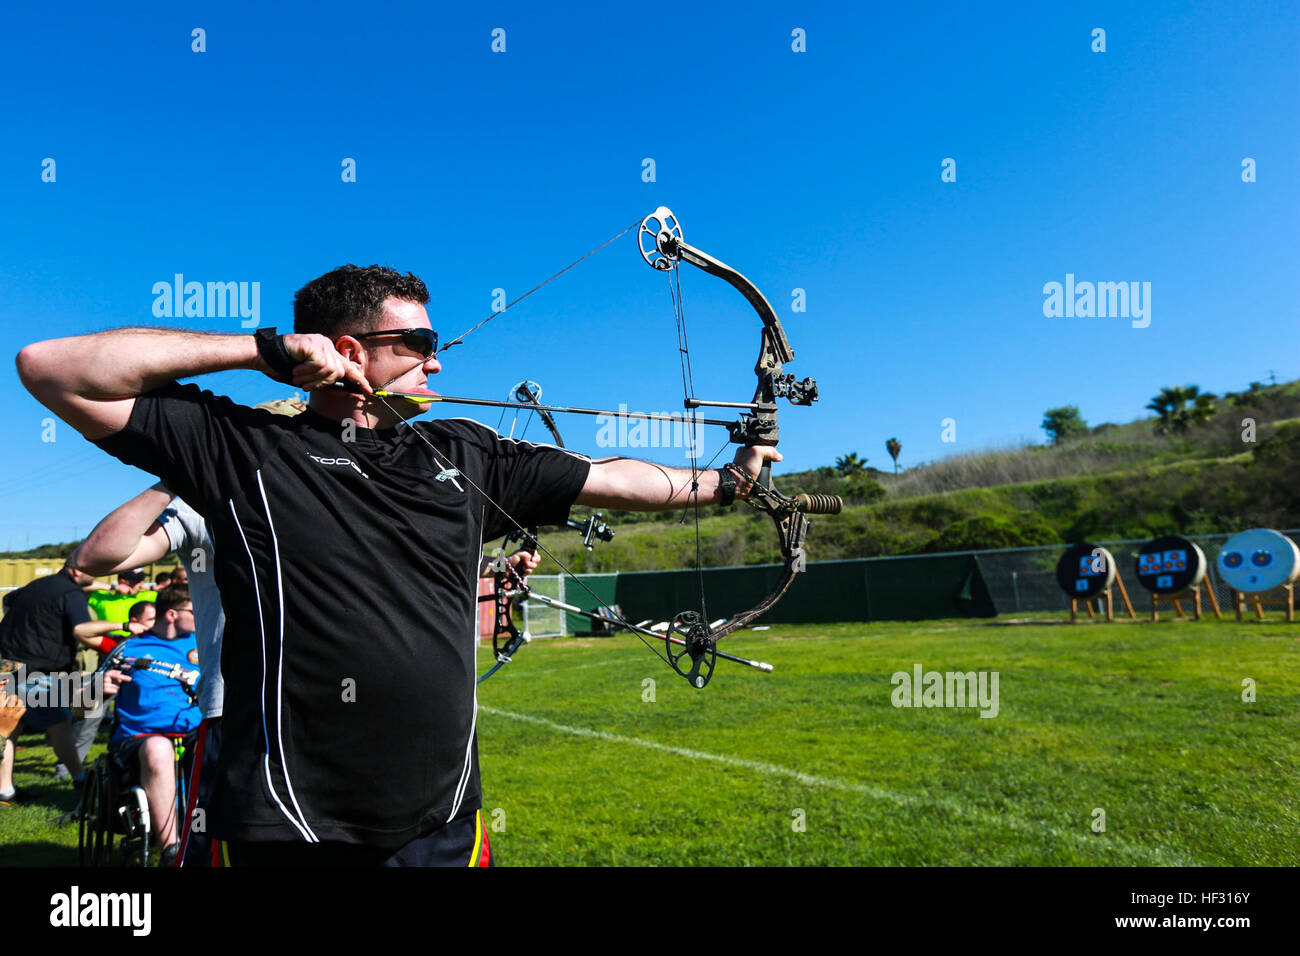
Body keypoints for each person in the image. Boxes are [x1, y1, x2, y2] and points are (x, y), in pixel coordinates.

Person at [15, 262, 772, 865]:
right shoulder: (242, 449)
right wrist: (261, 351)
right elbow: (51, 367)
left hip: (440, 818)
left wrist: (730, 482)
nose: (436, 359)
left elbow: (609, 475)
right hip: (286, 820)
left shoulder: (466, 452)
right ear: (349, 350)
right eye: (417, 343)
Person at [0, 566, 145, 800]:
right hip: (40, 669)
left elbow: (8, 601)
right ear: (77, 571)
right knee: (60, 725)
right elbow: (81, 629)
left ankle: (5, 790)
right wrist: (124, 626)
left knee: (10, 728)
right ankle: (79, 778)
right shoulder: (71, 594)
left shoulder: (38, 586)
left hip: (8, 663)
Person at [107, 584, 201, 866]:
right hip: (141, 737)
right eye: (194, 611)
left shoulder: (206, 644)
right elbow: (82, 703)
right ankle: (172, 850)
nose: (201, 616)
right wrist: (97, 688)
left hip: (196, 731)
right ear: (172, 614)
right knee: (159, 749)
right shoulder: (129, 647)